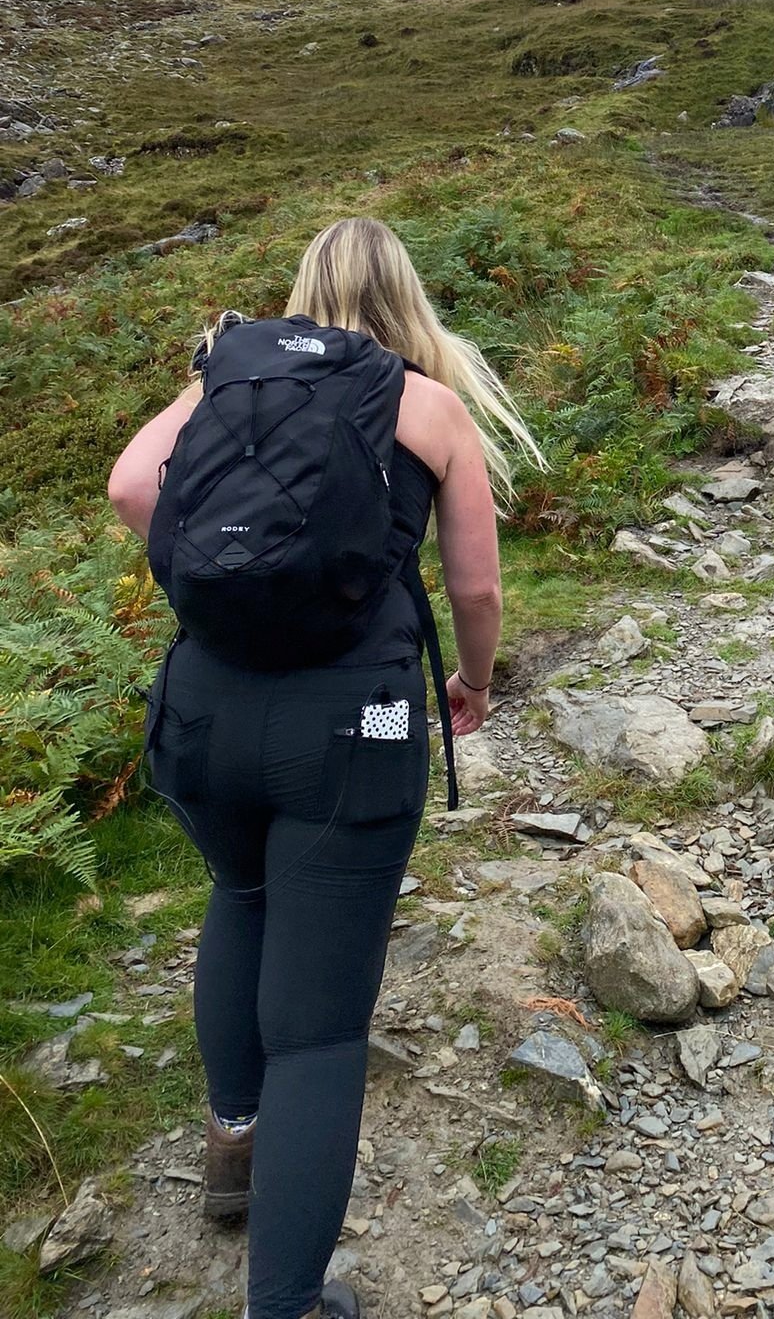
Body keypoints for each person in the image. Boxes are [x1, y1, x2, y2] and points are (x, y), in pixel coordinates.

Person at [108, 217, 542, 1319]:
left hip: (205, 709)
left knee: (237, 891)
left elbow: (128, 489)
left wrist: (233, 565)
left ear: (303, 290)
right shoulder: (426, 403)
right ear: (407, 297)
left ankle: (232, 1142)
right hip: (351, 729)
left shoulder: (228, 378)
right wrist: (475, 685)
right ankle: (289, 1303)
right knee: (320, 1027)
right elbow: (478, 593)